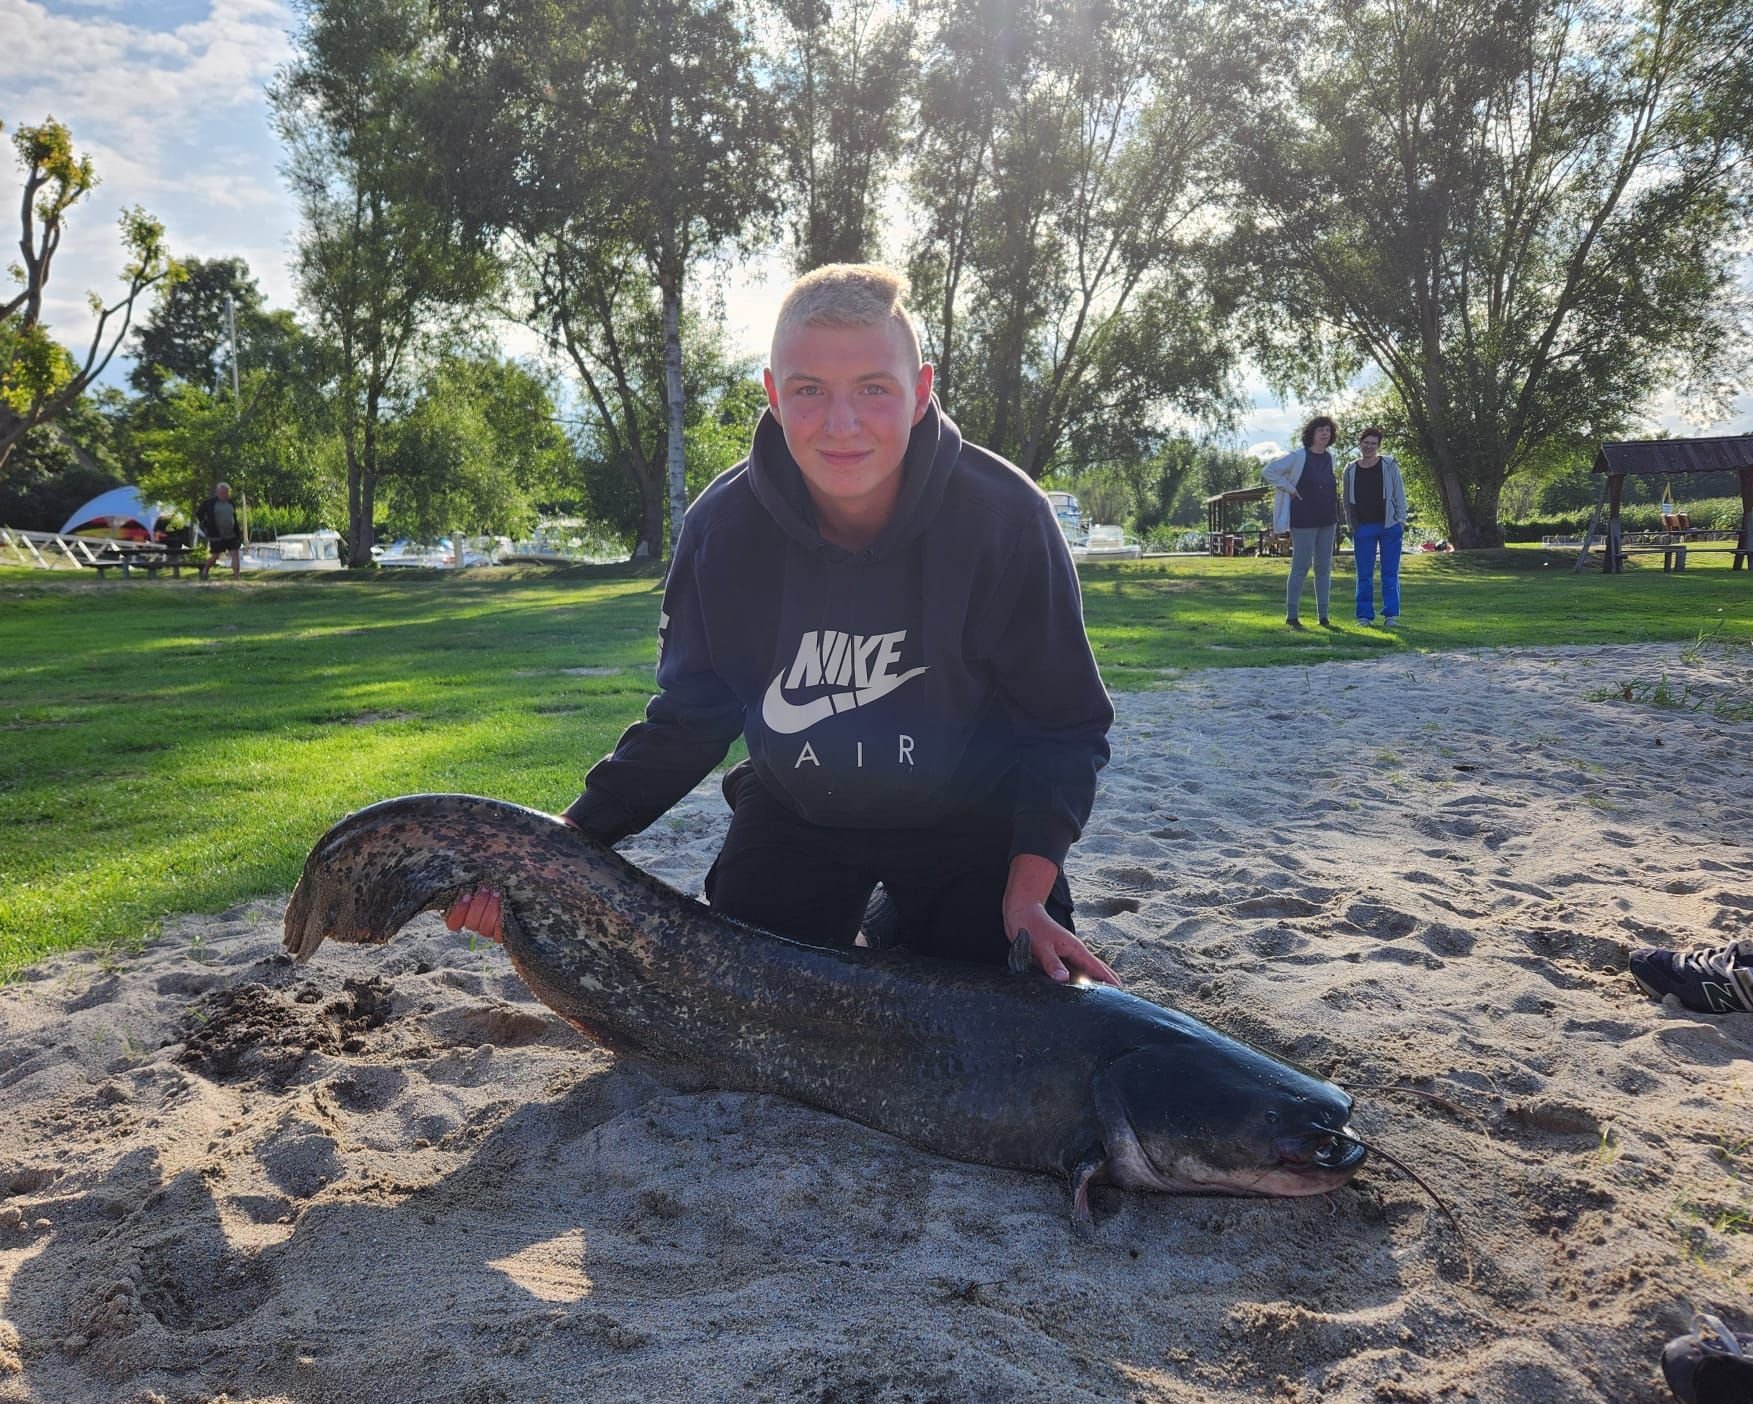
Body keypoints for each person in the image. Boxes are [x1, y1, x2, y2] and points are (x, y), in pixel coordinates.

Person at [447, 263, 1118, 984]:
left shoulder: (1006, 520)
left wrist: (1026, 896)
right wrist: (554, 849)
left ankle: (905, 917)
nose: (842, 424)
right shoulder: (722, 529)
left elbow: (1064, 726)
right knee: (744, 989)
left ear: (920, 392)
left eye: (873, 389)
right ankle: (864, 910)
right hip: (799, 809)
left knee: (1010, 989)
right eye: (808, 391)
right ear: (771, 394)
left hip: (970, 812)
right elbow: (688, 721)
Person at [1260, 416, 1341, 629]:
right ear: (1311, 434)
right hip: (1304, 518)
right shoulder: (1297, 456)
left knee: (1323, 567)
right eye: (1320, 430)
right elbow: (1269, 472)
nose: (1324, 434)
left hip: (1327, 518)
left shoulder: (1330, 458)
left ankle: (1323, 616)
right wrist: (1290, 488)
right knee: (1301, 566)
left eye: (1327, 430)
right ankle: (1292, 615)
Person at [1342, 427, 1407, 624]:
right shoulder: (1350, 469)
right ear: (1360, 443)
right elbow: (1346, 500)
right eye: (1366, 442)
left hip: (1389, 525)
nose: (1369, 446)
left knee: (1389, 573)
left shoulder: (1389, 465)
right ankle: (1364, 615)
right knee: (1364, 574)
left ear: (1378, 446)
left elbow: (1399, 493)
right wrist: (1351, 523)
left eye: (1373, 444)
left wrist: (1401, 520)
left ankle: (1391, 615)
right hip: (1363, 527)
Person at [196, 482, 242, 580]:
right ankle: (205, 568)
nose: (224, 494)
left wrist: (237, 531)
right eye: (222, 492)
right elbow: (199, 513)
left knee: (235, 554)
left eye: (226, 492)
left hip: (231, 534)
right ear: (217, 492)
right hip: (216, 534)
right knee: (215, 556)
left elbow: (234, 517)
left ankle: (237, 578)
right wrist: (206, 524)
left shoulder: (231, 503)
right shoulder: (210, 503)